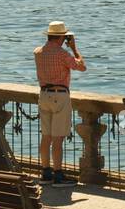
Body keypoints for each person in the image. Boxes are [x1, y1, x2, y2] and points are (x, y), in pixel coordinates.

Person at [33, 20, 87, 185]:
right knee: (57, 139)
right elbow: (82, 67)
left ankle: (45, 172)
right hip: (60, 95)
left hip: (43, 95)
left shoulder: (38, 52)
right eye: (64, 37)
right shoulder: (63, 54)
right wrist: (74, 48)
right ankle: (58, 174)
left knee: (46, 137)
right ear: (61, 37)